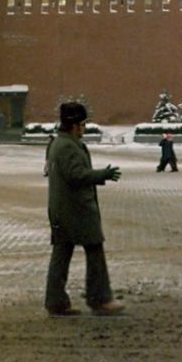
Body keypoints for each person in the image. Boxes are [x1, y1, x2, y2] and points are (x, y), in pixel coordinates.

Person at [45, 101, 124, 317]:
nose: (85, 128)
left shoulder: (59, 143)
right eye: (82, 123)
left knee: (61, 253)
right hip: (76, 209)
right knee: (94, 249)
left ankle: (56, 301)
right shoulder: (68, 146)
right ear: (75, 125)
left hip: (62, 209)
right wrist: (102, 175)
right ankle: (100, 299)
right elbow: (76, 175)